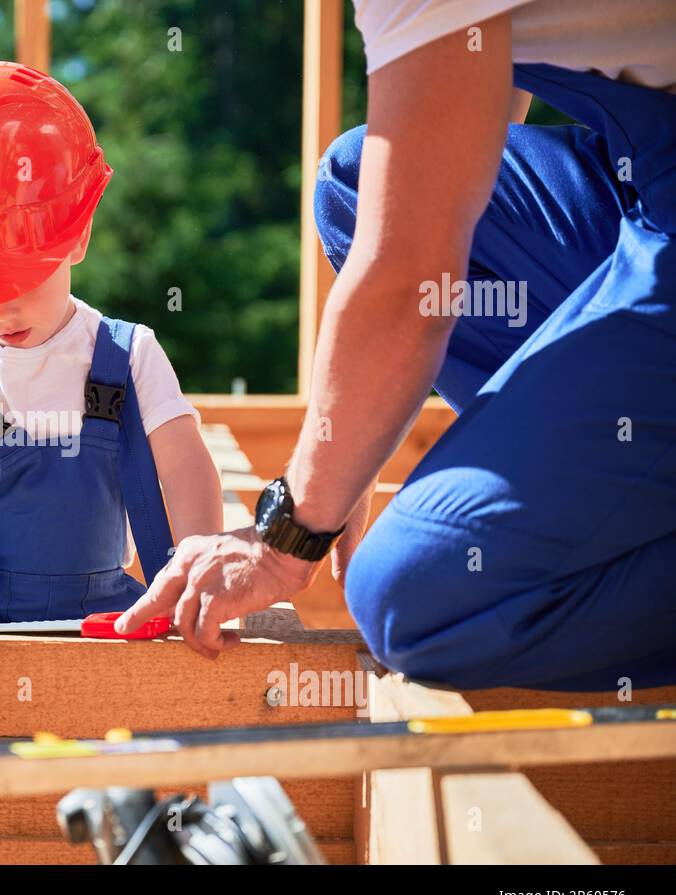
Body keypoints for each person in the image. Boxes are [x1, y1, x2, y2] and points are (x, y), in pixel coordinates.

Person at [118, 2, 676, 689]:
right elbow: (451, 162)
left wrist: (286, 541)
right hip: (642, 176)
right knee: (355, 182)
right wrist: (351, 445)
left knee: (417, 601)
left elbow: (413, 276)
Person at [0, 61, 222, 626]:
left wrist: (198, 569)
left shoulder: (125, 358)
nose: (1, 308)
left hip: (111, 620)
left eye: (19, 279)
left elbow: (186, 467)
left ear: (79, 236)